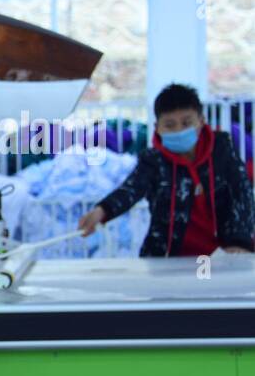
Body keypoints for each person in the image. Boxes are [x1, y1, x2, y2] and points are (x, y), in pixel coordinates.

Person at [77, 83, 255, 255]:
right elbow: (131, 189)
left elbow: (242, 194)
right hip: (167, 257)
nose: (179, 130)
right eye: (170, 125)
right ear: (157, 128)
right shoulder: (153, 161)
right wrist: (102, 210)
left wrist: (239, 241)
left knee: (207, 282)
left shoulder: (222, 150)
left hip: (219, 255)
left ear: (201, 121)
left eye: (186, 123)